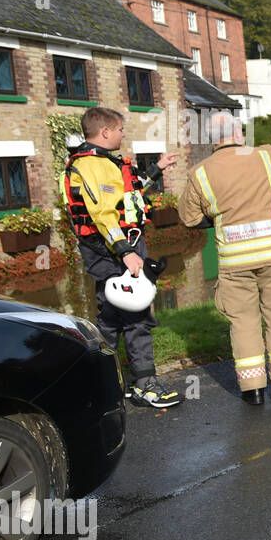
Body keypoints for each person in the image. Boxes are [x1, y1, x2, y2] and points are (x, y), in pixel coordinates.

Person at [179, 115, 271, 404]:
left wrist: (220, 220)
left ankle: (253, 390)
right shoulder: (266, 156)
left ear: (214, 139)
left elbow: (190, 219)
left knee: (242, 322)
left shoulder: (199, 173)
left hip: (234, 262)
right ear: (239, 132)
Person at [61, 106, 181, 408]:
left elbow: (131, 194)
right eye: (119, 129)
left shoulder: (105, 163)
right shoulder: (89, 167)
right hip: (111, 253)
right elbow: (103, 215)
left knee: (111, 319)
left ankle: (104, 384)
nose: (123, 133)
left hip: (119, 250)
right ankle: (145, 385)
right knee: (136, 316)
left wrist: (157, 168)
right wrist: (126, 252)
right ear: (105, 132)